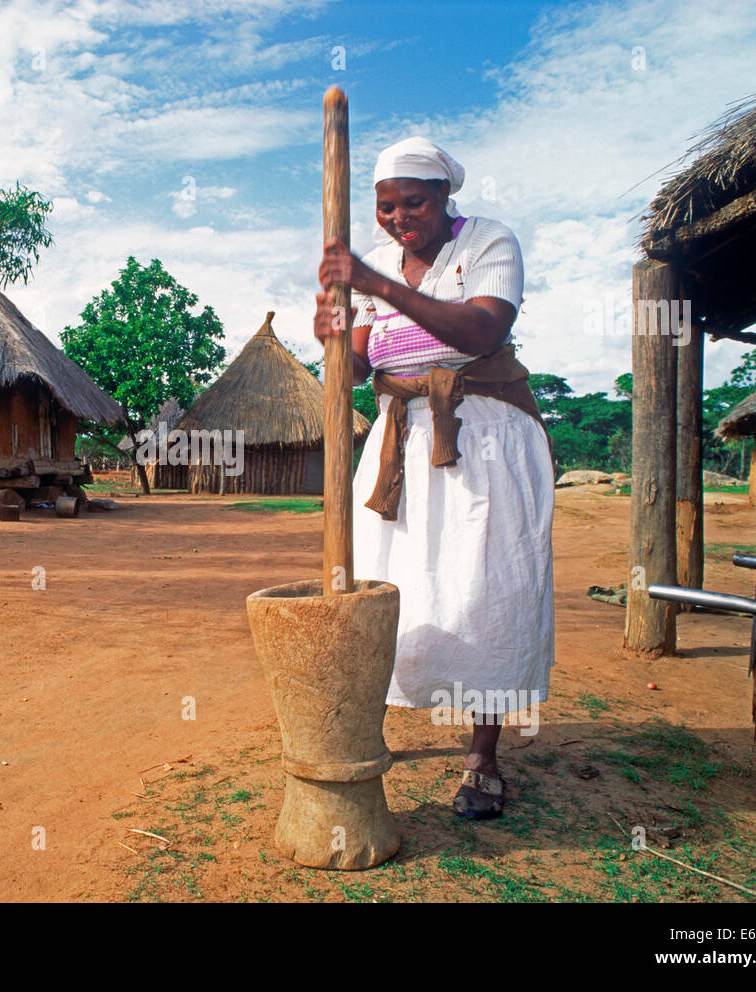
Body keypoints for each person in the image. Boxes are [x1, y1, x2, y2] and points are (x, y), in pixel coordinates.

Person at [313, 136, 554, 820]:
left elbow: (480, 331)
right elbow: (357, 366)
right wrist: (332, 327)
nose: (397, 217)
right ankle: (368, 731)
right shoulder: (378, 272)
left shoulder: (489, 242)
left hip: (484, 440)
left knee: (485, 588)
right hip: (399, 442)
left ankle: (482, 757)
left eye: (412, 202)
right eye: (386, 206)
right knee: (392, 586)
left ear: (446, 197)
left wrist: (376, 285)